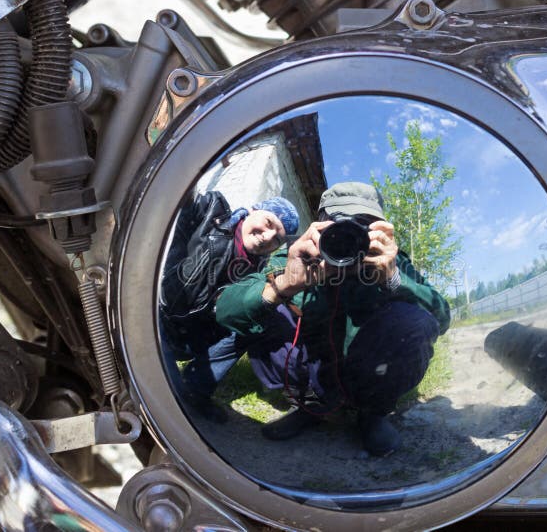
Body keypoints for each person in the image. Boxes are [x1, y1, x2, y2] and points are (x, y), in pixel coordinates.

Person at [216, 182, 450, 455]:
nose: (349, 235)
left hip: (368, 370)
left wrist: (394, 280)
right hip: (312, 370)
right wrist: (285, 284)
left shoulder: (391, 261)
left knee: (414, 321)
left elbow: (440, 317)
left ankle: (373, 414)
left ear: (380, 230)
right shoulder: (297, 256)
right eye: (338, 224)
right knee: (263, 307)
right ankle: (310, 407)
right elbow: (227, 312)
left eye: (363, 225)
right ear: (320, 224)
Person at [160, 190, 300, 422]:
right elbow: (180, 198)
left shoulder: (258, 270)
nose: (267, 237)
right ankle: (168, 389)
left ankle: (196, 388)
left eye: (277, 238)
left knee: (253, 324)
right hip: (156, 318)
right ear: (253, 210)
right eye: (268, 223)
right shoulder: (209, 216)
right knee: (165, 400)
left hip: (193, 334)